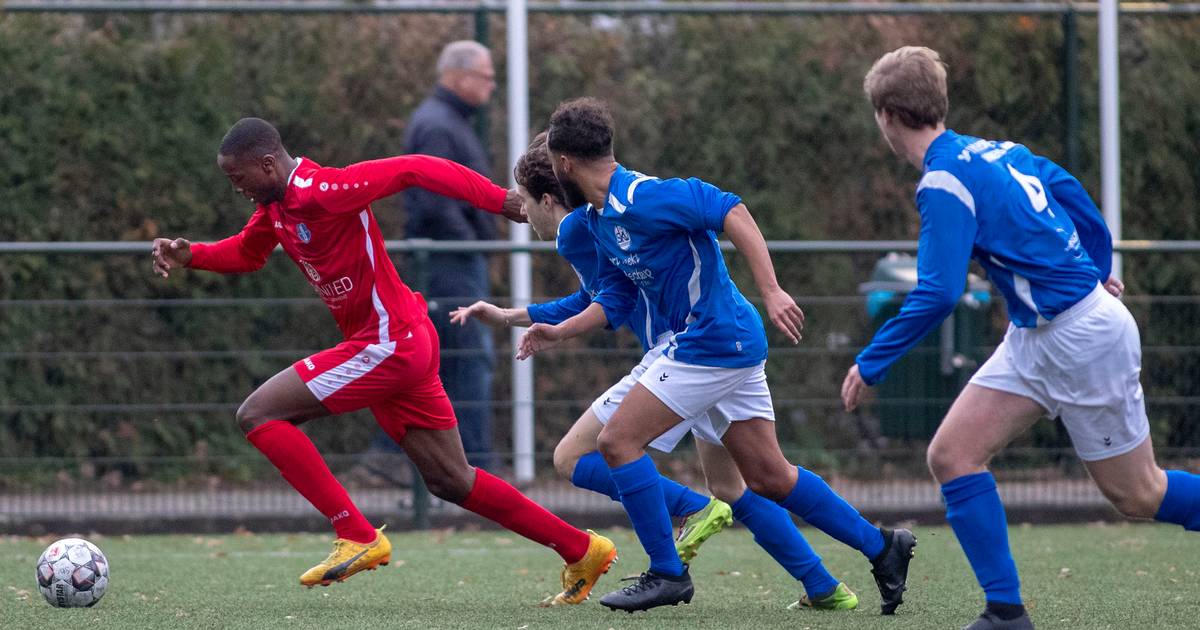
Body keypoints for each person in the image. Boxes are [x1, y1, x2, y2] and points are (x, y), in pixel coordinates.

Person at [150, 117, 616, 605]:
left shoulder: (321, 189)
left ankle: (356, 534)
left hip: (388, 343)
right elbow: (247, 253)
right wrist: (191, 256)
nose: (238, 190)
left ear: (268, 164)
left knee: (258, 413)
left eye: (238, 178)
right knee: (451, 480)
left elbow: (413, 168)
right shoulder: (277, 208)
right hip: (400, 346)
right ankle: (582, 549)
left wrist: (500, 201)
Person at [844, 46, 1200, 630]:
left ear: (885, 116)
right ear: (938, 102)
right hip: (1034, 336)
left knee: (1139, 494)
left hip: (1083, 338)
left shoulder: (943, 181)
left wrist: (871, 362)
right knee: (953, 456)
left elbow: (937, 292)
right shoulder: (1001, 151)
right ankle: (1006, 613)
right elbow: (1072, 194)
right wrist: (1100, 262)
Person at [516, 99, 917, 613]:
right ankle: (883, 546)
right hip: (725, 345)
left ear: (563, 162)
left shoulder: (645, 196)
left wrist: (771, 289)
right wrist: (557, 330)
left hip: (711, 340)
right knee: (769, 477)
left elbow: (732, 210)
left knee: (618, 442)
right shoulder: (597, 218)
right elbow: (613, 297)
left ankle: (667, 572)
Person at [451, 132, 860, 611]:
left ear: (547, 196)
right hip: (705, 345)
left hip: (686, 350)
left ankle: (684, 527)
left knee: (576, 456)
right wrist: (514, 314)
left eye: (523, 201)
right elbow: (600, 295)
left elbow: (608, 301)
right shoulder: (602, 213)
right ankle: (827, 584)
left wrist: (541, 324)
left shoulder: (579, 229)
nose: (520, 212)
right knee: (740, 484)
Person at [402, 40, 500, 468]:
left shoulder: (448, 122)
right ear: (458, 76)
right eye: (486, 76)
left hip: (455, 260)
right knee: (467, 360)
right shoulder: (439, 126)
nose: (492, 86)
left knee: (456, 361)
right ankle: (474, 463)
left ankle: (456, 462)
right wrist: (473, 243)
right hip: (449, 264)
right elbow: (435, 202)